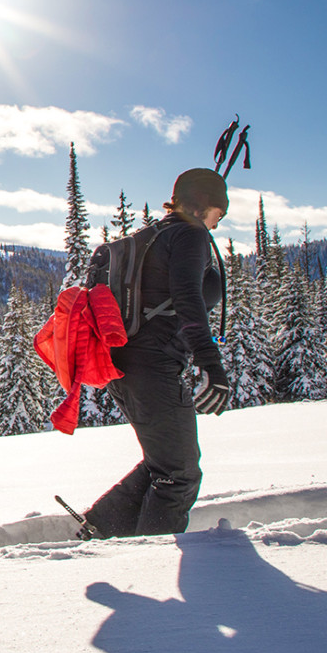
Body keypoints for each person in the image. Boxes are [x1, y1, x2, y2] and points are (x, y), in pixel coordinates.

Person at [80, 168, 230, 539]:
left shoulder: (155, 235)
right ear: (205, 205)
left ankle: (101, 527)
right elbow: (188, 299)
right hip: (153, 368)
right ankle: (153, 559)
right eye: (219, 214)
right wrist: (211, 363)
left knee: (164, 463)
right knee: (180, 474)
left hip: (123, 365)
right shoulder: (190, 235)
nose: (218, 223)